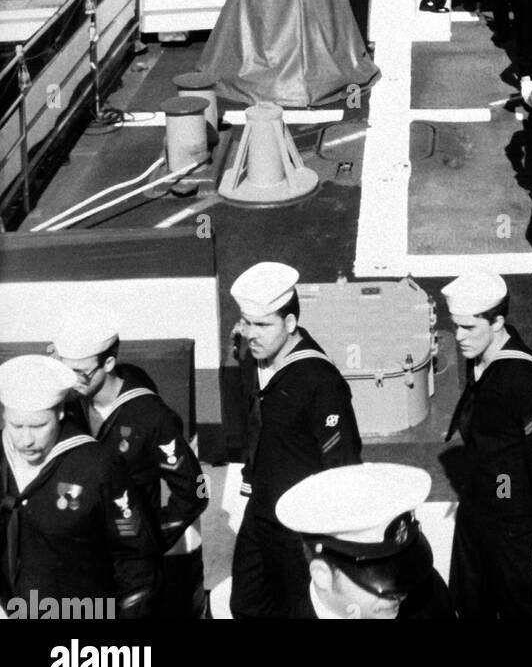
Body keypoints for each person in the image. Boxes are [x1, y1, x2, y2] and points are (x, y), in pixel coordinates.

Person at [229, 262, 362, 619]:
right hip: (260, 513)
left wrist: (334, 542)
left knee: (301, 611)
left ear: (290, 324)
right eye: (245, 322)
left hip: (301, 527)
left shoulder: (321, 383)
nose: (250, 334)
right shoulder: (252, 358)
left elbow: (344, 464)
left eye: (262, 324)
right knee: (246, 605)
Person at [51, 317, 208, 617]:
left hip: (131, 569)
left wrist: (150, 537)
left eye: (81, 373)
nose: (73, 382)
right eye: (66, 370)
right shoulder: (69, 405)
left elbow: (196, 489)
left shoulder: (150, 416)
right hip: (82, 560)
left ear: (109, 363)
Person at [0, 354, 161, 618]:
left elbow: (135, 555)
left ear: (61, 412)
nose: (26, 440)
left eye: (39, 426)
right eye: (16, 425)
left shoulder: (98, 466)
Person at [444, 272, 532, 618]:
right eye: (456, 326)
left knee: (517, 609)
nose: (459, 337)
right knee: (467, 603)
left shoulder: (524, 382)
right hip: (476, 508)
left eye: (469, 327)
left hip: (512, 525)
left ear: (497, 321)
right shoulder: (481, 354)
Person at [276, 463, 453, 619]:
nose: (401, 594)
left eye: (399, 572)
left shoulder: (428, 595)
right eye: (381, 577)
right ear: (322, 575)